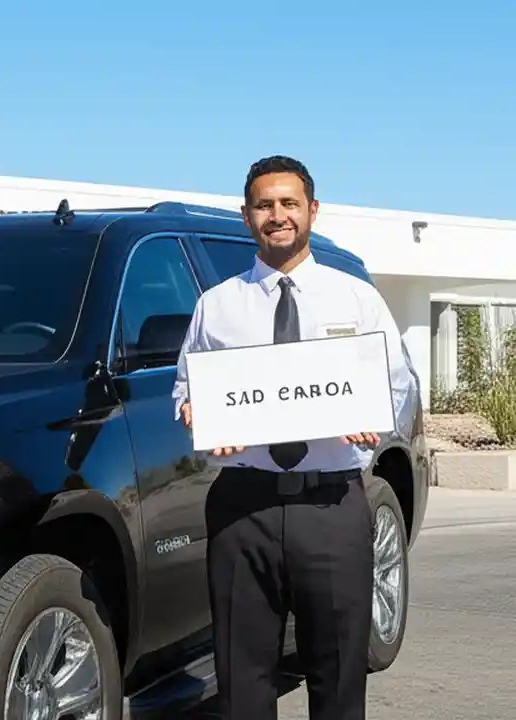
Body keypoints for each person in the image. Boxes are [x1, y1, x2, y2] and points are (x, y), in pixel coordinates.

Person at [172, 155, 418, 719]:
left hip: (330, 504)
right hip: (242, 509)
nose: (276, 215)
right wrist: (197, 413)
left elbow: (399, 385)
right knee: (241, 678)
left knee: (337, 675)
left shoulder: (355, 298)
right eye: (264, 205)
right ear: (246, 216)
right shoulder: (217, 304)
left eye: (288, 203)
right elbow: (187, 386)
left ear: (311, 210)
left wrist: (374, 417)